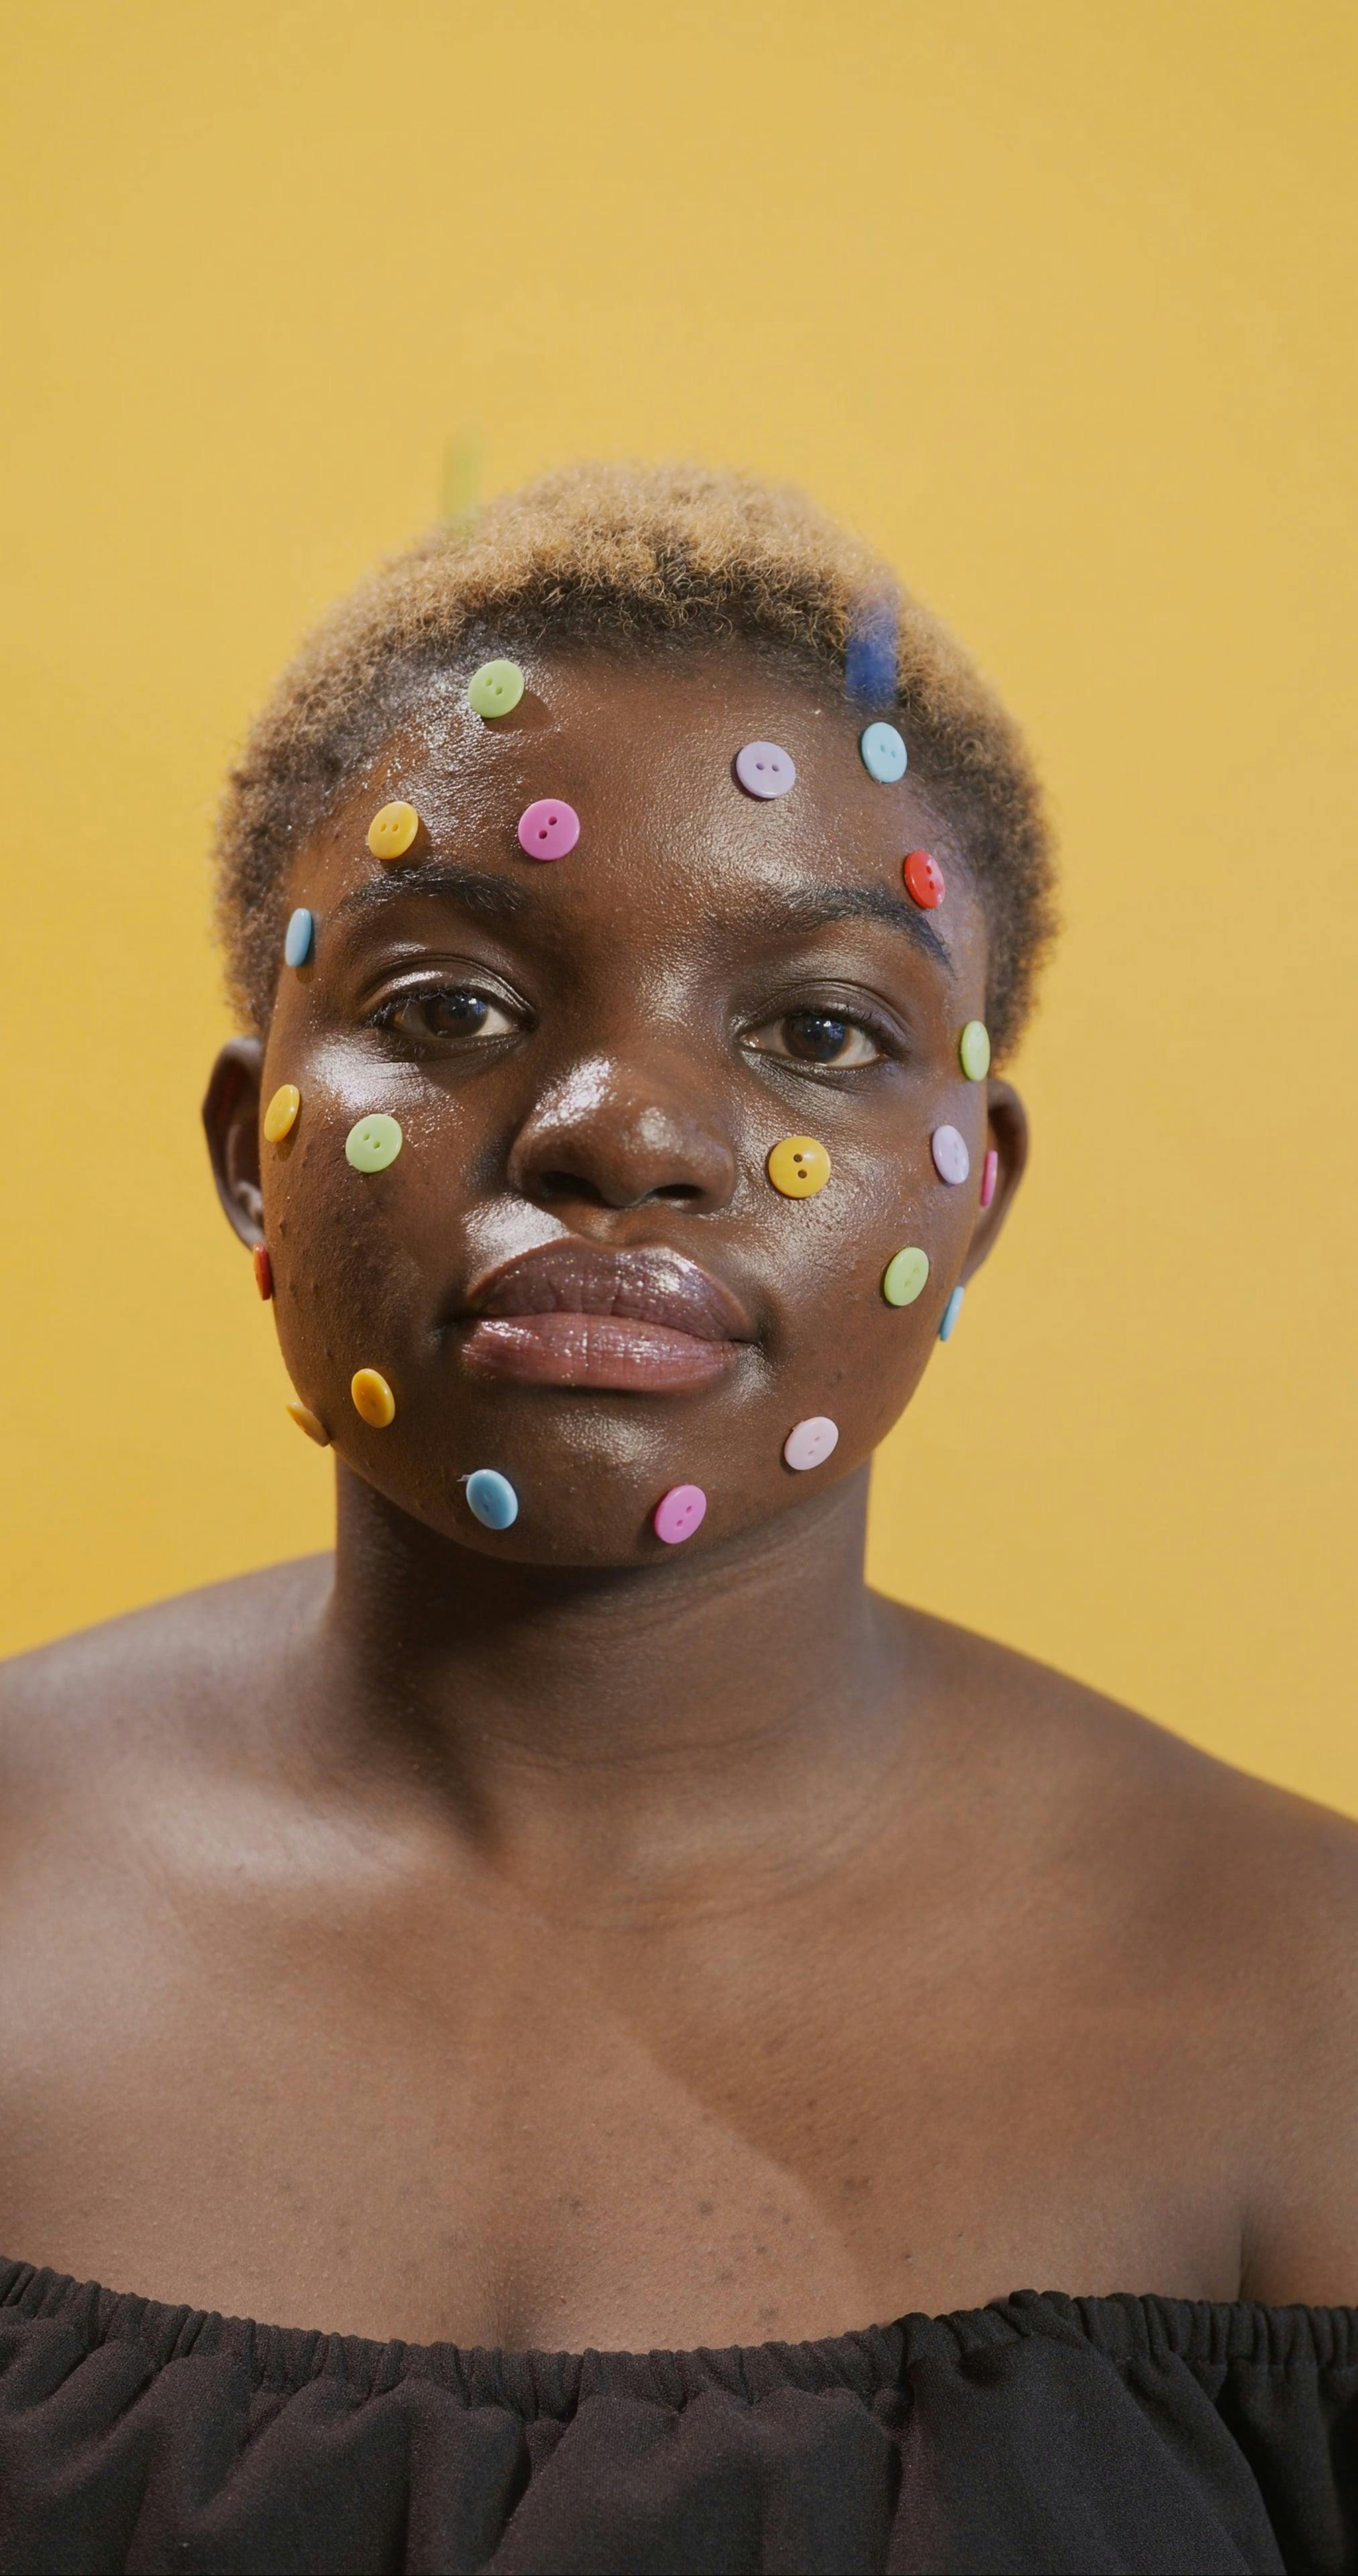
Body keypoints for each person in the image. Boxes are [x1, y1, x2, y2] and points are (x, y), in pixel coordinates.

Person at [1, 463, 1354, 2574]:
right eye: (447, 1005)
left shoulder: (1313, 2009)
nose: (623, 1130)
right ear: (247, 1151)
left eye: (816, 1029)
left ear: (970, 1189)